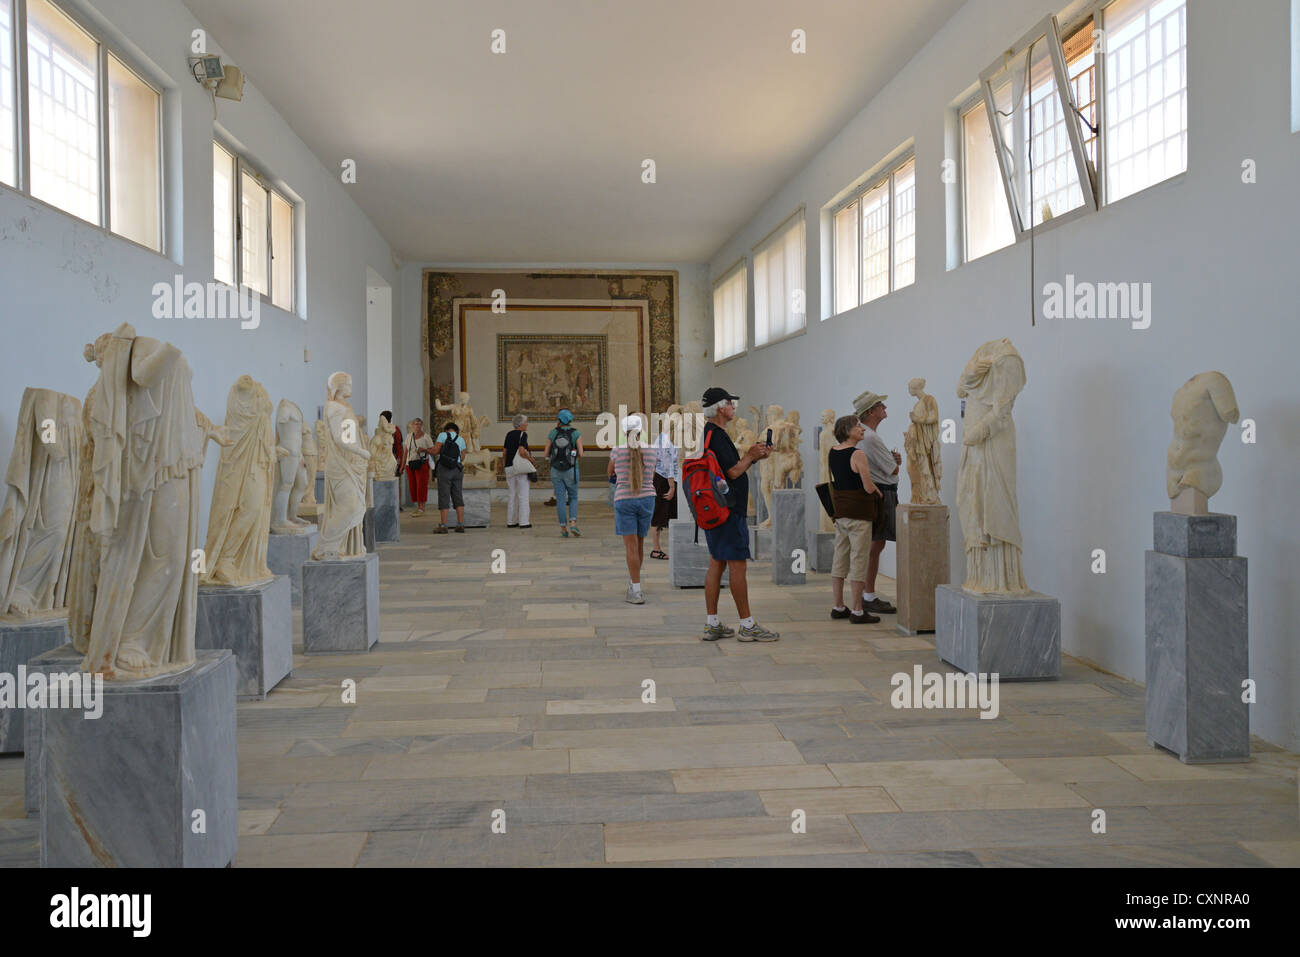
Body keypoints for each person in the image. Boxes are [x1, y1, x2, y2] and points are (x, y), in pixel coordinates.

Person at [693, 387, 779, 642]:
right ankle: (747, 625)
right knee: (737, 566)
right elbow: (732, 472)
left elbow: (729, 468)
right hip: (728, 510)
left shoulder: (710, 434)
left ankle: (712, 624)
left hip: (716, 509)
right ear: (721, 407)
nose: (733, 408)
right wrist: (751, 455)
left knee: (716, 563)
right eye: (731, 403)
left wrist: (752, 457)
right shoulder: (717, 434)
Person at [828, 415, 883, 623]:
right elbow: (868, 487)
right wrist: (879, 492)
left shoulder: (832, 452)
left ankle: (838, 606)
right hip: (859, 514)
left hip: (841, 512)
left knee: (840, 557)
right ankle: (858, 610)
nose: (862, 429)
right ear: (847, 430)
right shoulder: (858, 454)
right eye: (858, 426)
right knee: (859, 558)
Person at [854, 391, 900, 614]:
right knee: (875, 545)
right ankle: (868, 595)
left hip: (878, 492)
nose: (885, 409)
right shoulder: (871, 437)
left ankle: (865, 593)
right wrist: (894, 462)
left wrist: (892, 461)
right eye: (881, 406)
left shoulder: (867, 435)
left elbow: (890, 464)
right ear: (871, 411)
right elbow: (892, 469)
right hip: (881, 493)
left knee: (875, 545)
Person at [606, 414, 658, 604]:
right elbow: (651, 473)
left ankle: (635, 589)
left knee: (630, 547)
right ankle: (634, 582)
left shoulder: (617, 451)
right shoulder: (651, 450)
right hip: (647, 499)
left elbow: (610, 472)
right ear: (641, 431)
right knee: (640, 544)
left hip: (624, 499)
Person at [544, 408, 584, 537]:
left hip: (555, 470)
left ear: (559, 420)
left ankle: (563, 529)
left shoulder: (553, 433)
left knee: (560, 499)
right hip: (571, 470)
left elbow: (546, 453)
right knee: (573, 497)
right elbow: (581, 454)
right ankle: (573, 523)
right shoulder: (576, 433)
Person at [648, 405, 679, 560]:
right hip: (665, 479)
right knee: (659, 515)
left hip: (665, 478)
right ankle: (656, 548)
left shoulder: (665, 436)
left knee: (667, 515)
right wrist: (672, 486)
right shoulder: (666, 438)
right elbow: (668, 464)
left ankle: (665, 547)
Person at [431, 421, 467, 533]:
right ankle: (460, 524)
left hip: (445, 469)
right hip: (457, 469)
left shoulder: (442, 435)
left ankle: (443, 526)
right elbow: (463, 457)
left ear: (446, 429)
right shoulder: (461, 439)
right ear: (456, 431)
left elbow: (435, 451)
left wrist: (426, 450)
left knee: (444, 496)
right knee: (458, 496)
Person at [503, 413, 534, 528]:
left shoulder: (509, 434)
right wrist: (531, 459)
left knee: (512, 495)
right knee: (523, 495)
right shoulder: (523, 434)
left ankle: (511, 521)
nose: (527, 424)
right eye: (526, 422)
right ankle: (524, 522)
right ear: (521, 424)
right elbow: (521, 451)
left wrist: (506, 466)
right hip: (520, 468)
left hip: (509, 467)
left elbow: (504, 452)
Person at [404, 418, 434, 515]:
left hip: (422, 463)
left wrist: (424, 450)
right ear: (412, 426)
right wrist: (401, 466)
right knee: (413, 486)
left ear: (421, 426)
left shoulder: (426, 437)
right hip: (410, 464)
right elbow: (405, 451)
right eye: (415, 424)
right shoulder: (409, 436)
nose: (417, 426)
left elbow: (433, 450)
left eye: (419, 424)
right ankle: (418, 507)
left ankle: (422, 508)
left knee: (421, 485)